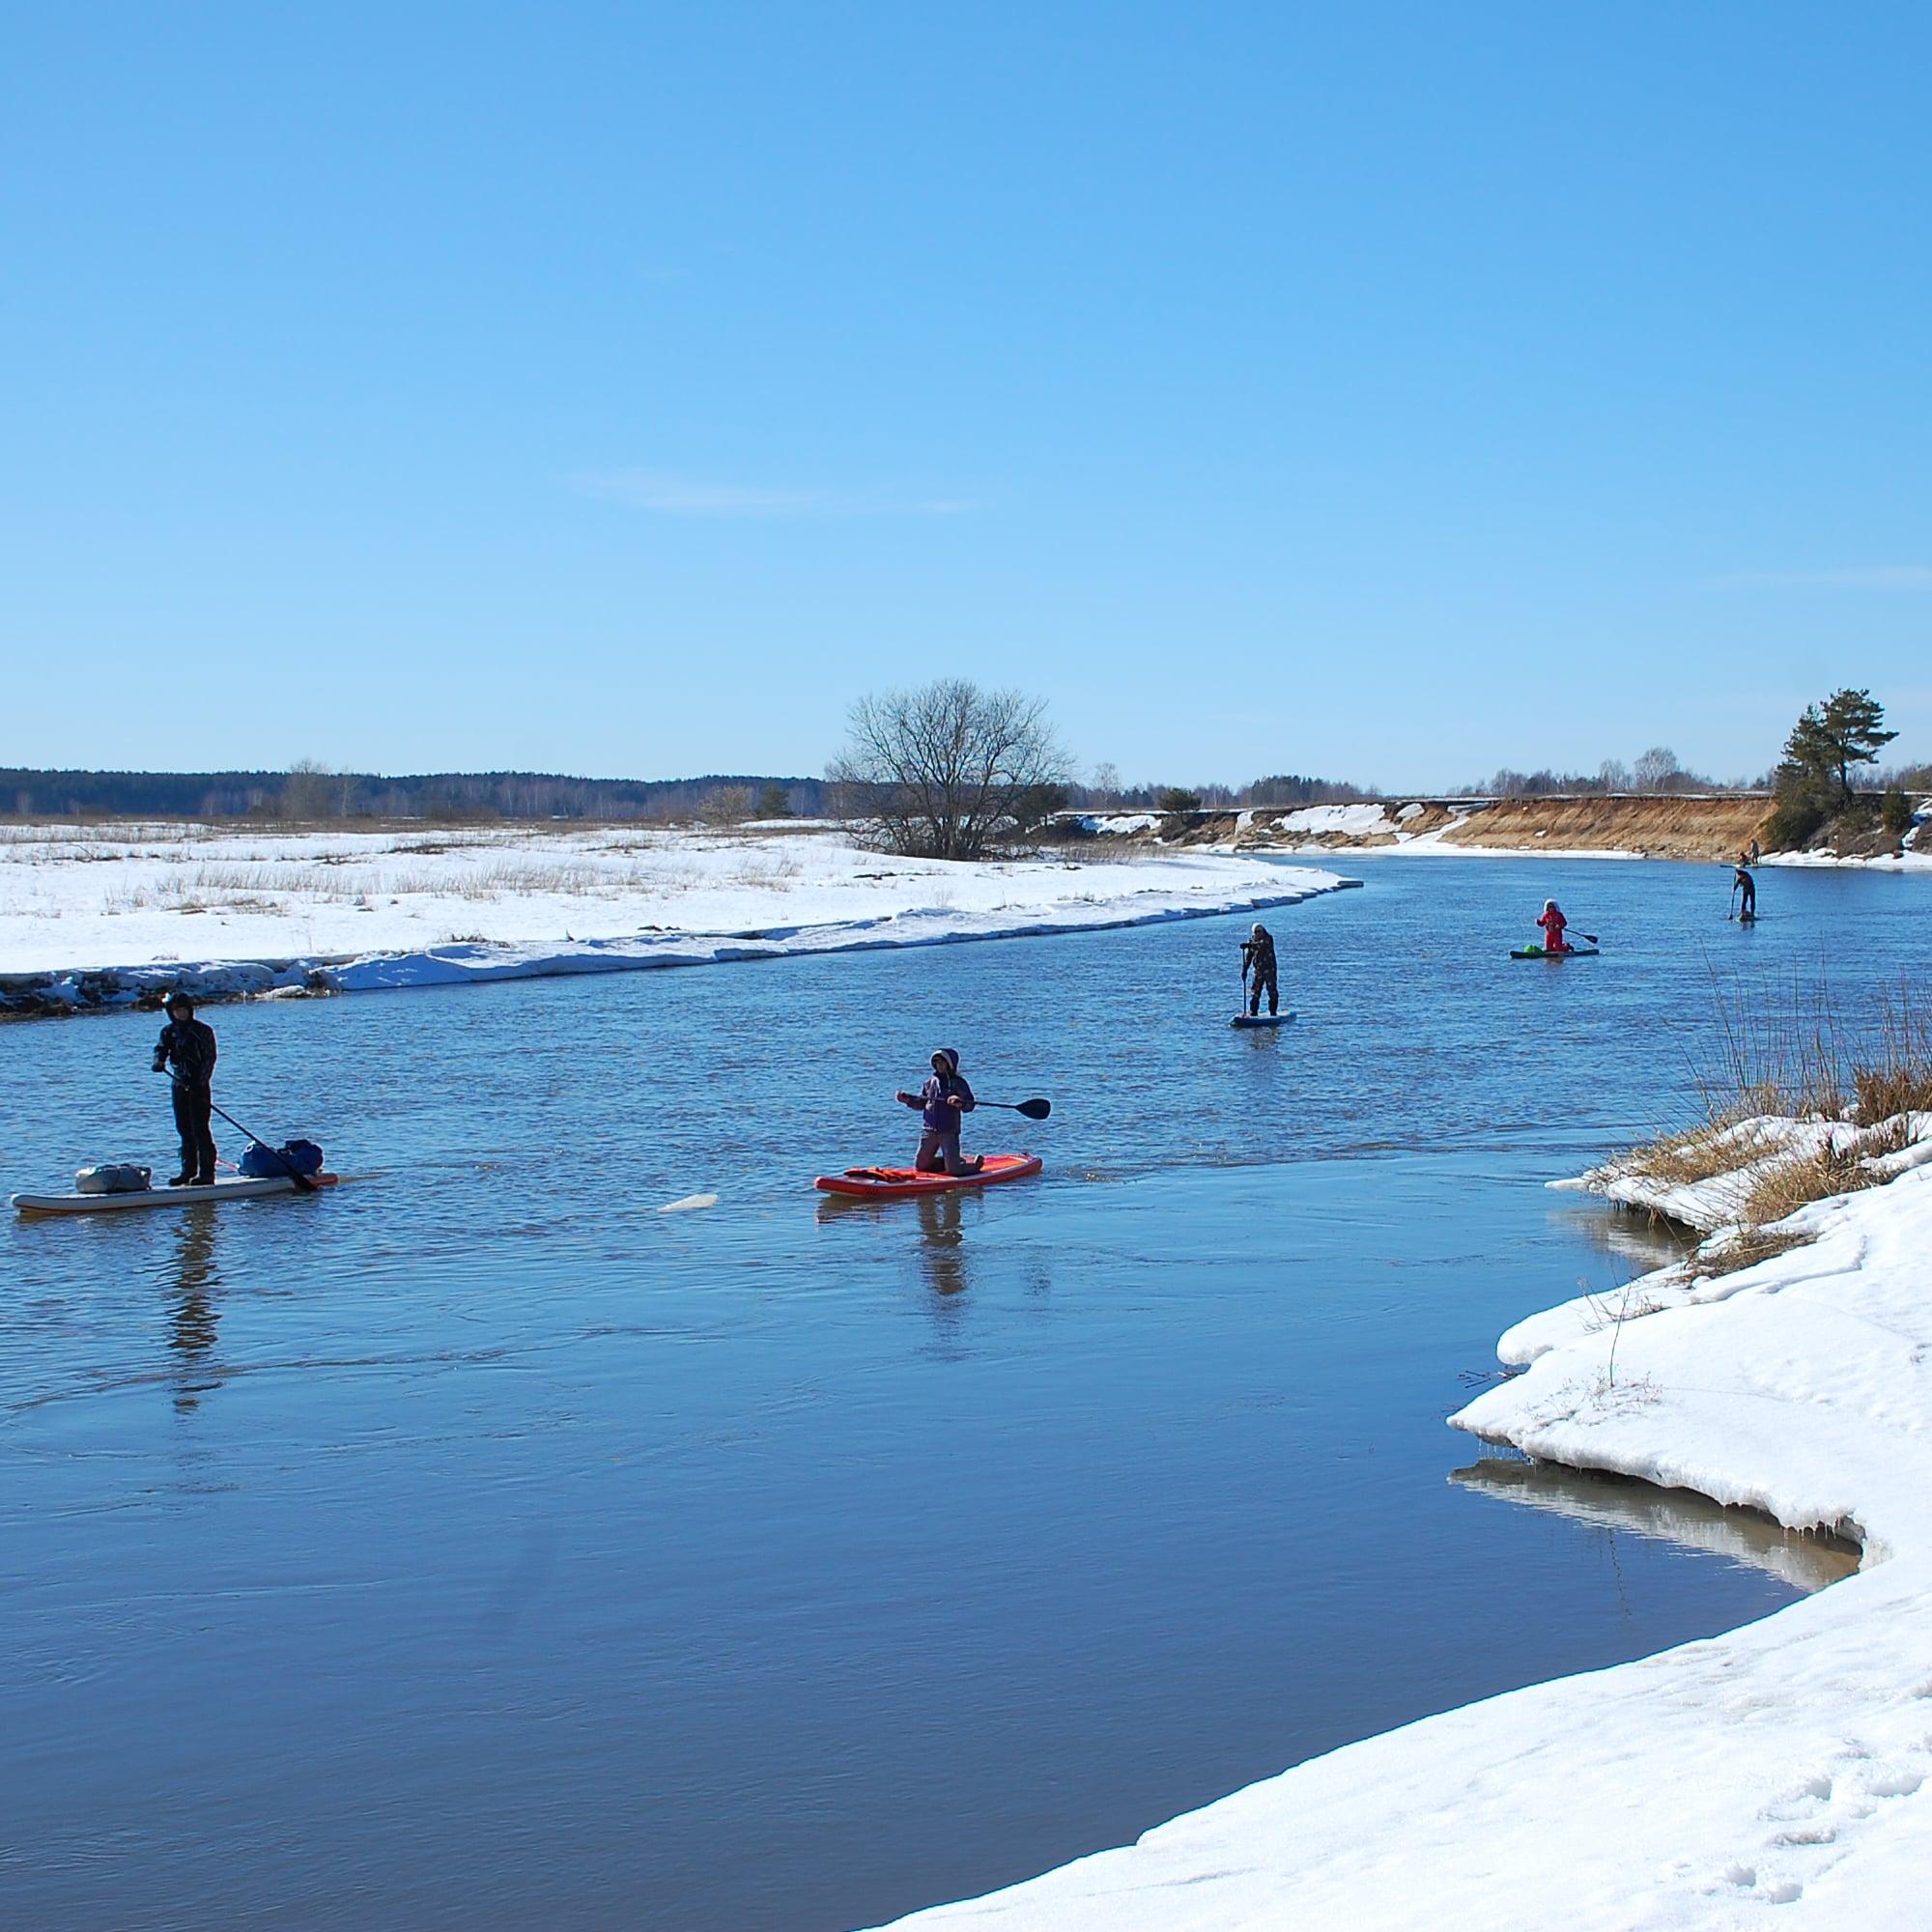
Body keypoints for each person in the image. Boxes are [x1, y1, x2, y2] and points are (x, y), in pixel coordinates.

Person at [152, 991, 218, 1186]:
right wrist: (158, 1061)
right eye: (176, 1011)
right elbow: (161, 1049)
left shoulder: (203, 1031)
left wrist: (200, 1082)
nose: (181, 1014)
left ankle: (207, 1173)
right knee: (183, 1128)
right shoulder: (168, 1032)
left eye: (183, 1010)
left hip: (199, 1085)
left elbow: (209, 1058)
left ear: (190, 1010)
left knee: (200, 1128)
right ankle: (187, 1172)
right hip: (179, 1083)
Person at [895, 1048, 982, 1176]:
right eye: (936, 1062)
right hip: (929, 1130)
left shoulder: (958, 1083)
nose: (939, 1065)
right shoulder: (929, 1083)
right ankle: (952, 1161)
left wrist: (960, 1102)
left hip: (948, 1130)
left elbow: (969, 1105)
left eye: (942, 1062)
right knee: (921, 1166)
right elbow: (921, 1103)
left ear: (950, 1064)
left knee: (954, 1172)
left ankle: (974, 1165)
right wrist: (907, 1100)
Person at [1240, 922, 1279, 1016]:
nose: (1259, 933)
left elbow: (1261, 945)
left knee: (1272, 991)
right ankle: (1253, 1012)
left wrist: (1249, 945)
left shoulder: (1268, 939)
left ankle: (1273, 1013)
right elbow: (1249, 958)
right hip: (1258, 971)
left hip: (1270, 970)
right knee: (1255, 992)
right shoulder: (1252, 942)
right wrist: (1244, 970)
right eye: (1256, 932)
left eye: (1260, 931)